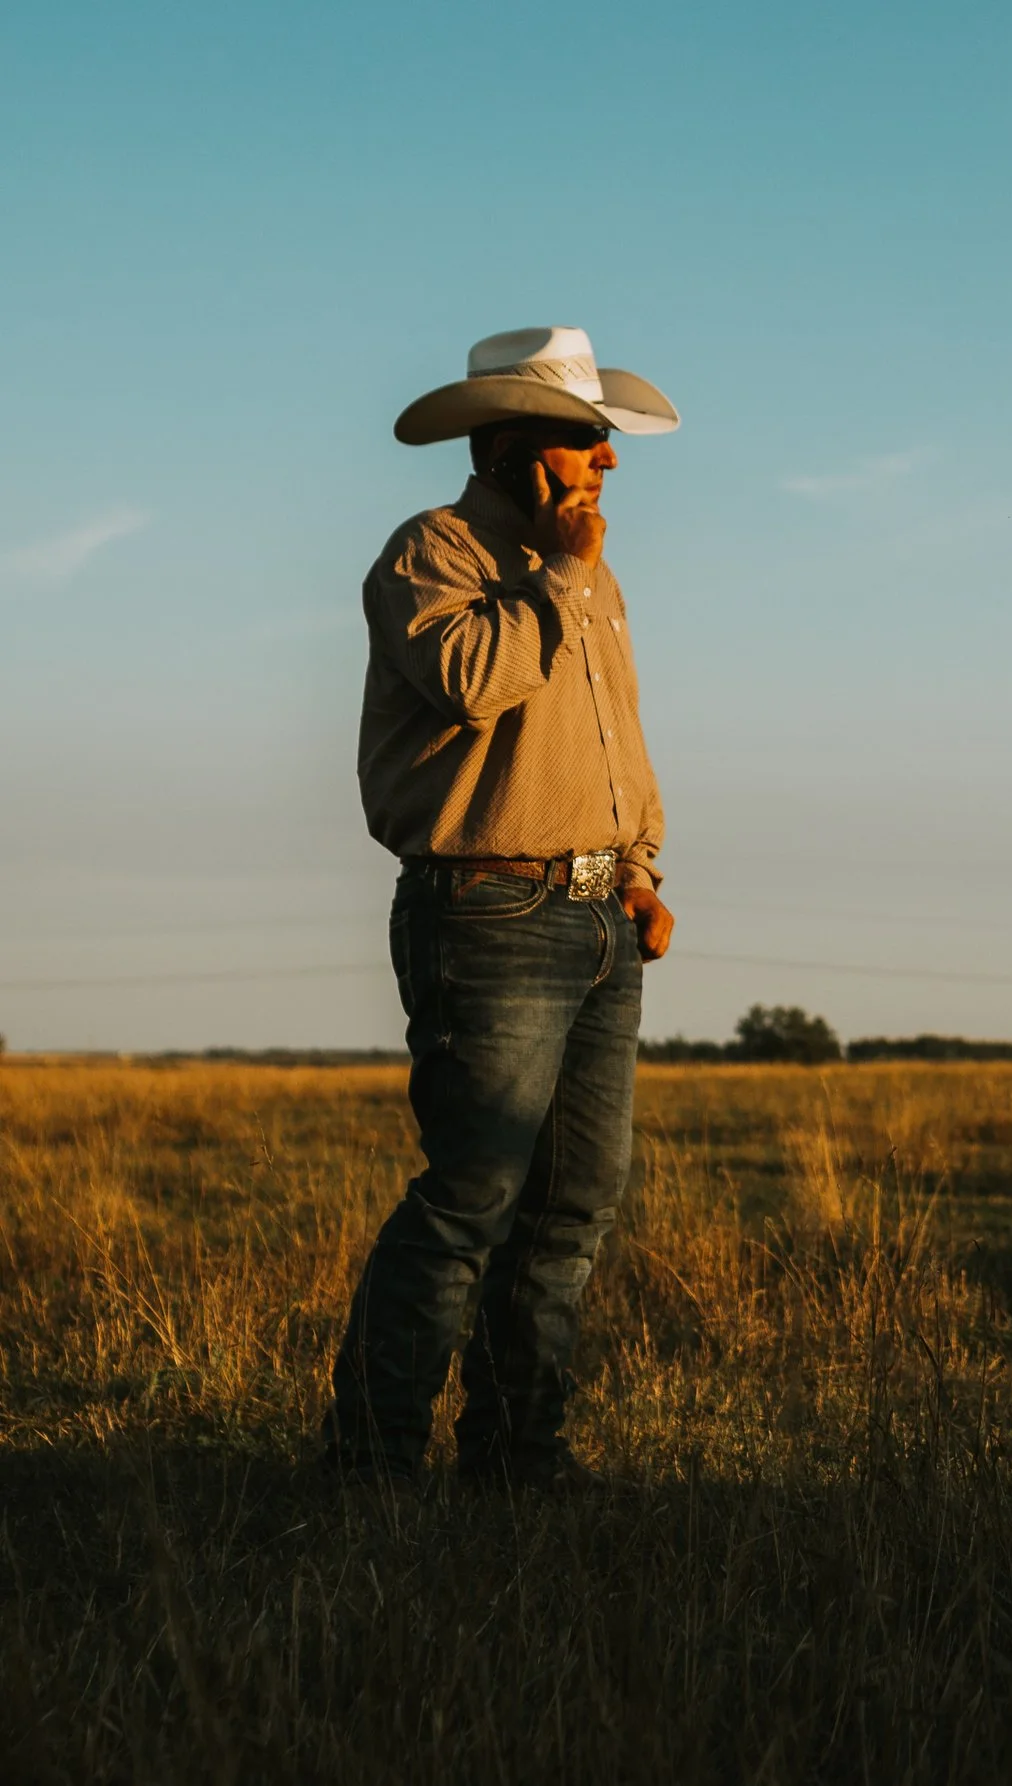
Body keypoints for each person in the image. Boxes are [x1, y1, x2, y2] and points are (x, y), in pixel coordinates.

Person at [321, 326, 680, 1491]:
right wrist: (561, 576)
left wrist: (640, 870)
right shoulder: (434, 551)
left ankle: (520, 1458)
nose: (608, 465)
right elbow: (473, 683)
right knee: (474, 1192)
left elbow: (615, 737)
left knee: (575, 1199)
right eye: (590, 442)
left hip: (596, 918)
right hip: (488, 910)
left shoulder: (590, 566)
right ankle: (372, 1463)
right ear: (518, 445)